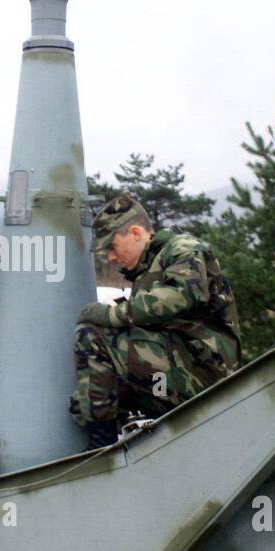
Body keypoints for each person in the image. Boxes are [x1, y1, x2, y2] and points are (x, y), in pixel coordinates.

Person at [70, 192, 241, 449]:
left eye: (112, 247)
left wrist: (111, 315)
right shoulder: (147, 268)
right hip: (177, 366)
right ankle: (128, 434)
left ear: (136, 233)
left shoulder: (182, 248)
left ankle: (101, 447)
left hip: (204, 372)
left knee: (91, 336)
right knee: (88, 396)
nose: (110, 258)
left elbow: (181, 295)